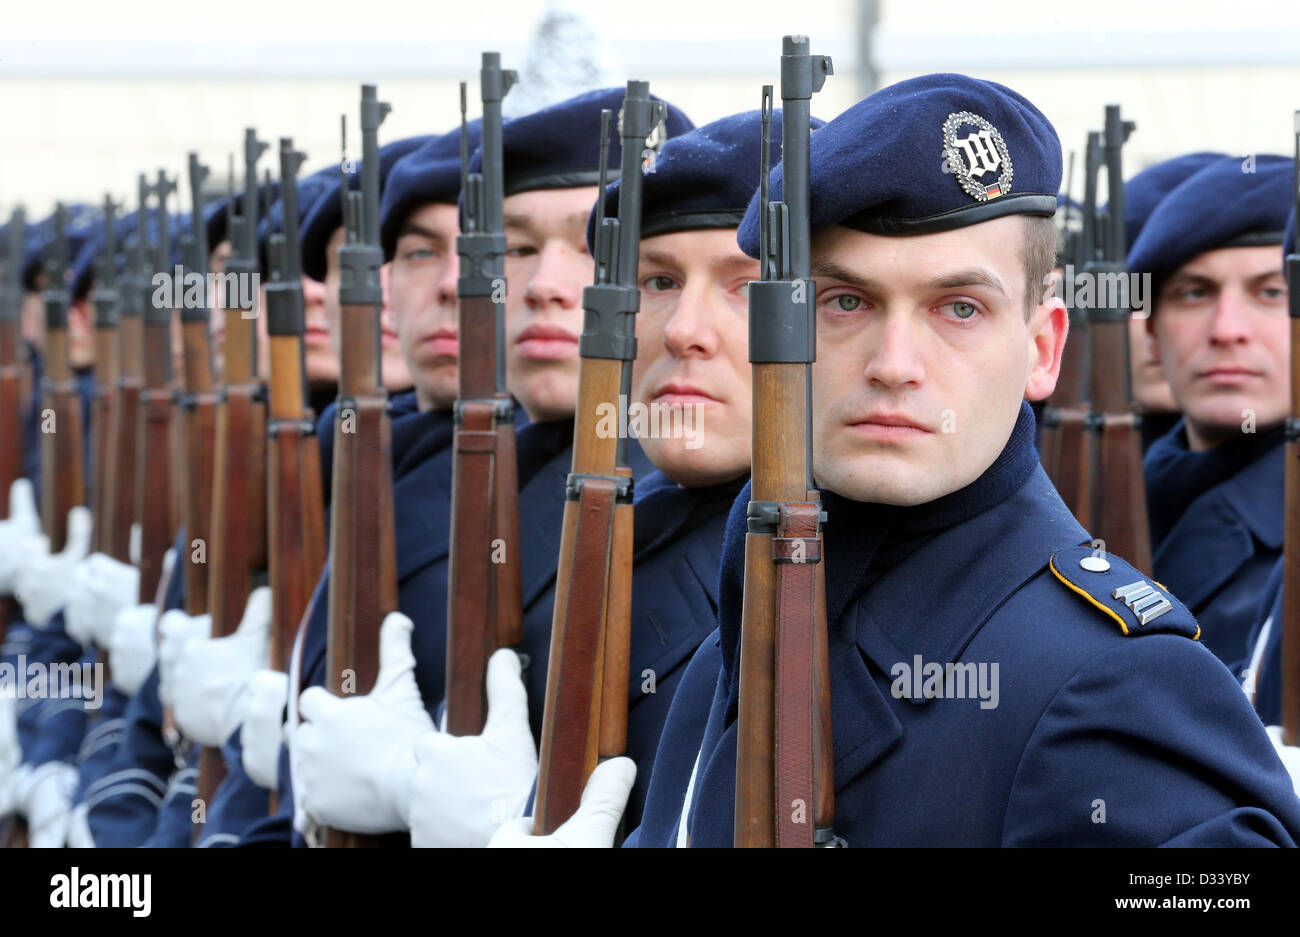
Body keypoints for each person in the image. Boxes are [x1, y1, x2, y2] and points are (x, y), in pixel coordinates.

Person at [493, 74, 1300, 848]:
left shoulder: (1114, 682)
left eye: (959, 308)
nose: (895, 363)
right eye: (848, 302)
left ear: (1043, 348)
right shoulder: (734, 648)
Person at [1132, 153, 1292, 664]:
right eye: (1195, 293)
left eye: (1270, 292)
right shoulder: (1093, 498)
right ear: (1152, 333)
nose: (1227, 329)